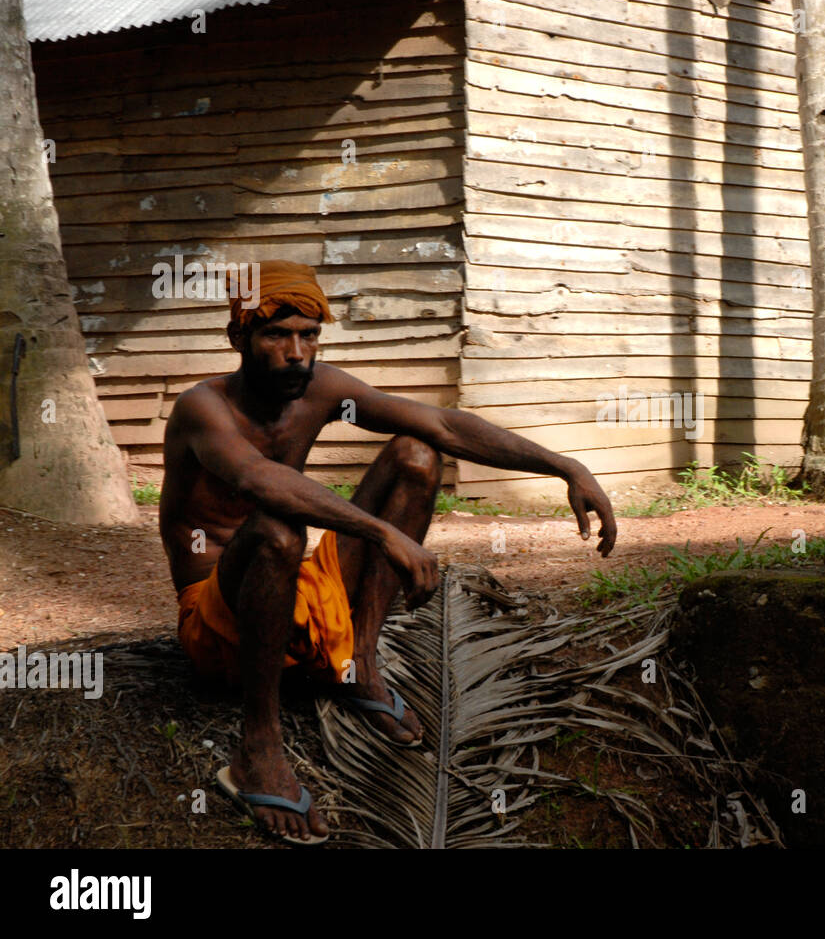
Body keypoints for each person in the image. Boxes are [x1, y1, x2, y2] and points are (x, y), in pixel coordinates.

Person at [159, 260, 617, 843]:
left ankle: (360, 661)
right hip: (218, 624)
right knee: (279, 525)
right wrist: (382, 534)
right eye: (276, 334)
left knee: (417, 454)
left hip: (297, 594)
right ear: (238, 339)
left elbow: (444, 425)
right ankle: (260, 745)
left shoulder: (322, 390)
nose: (296, 351)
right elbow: (256, 481)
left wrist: (564, 466)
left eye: (309, 334)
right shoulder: (205, 407)